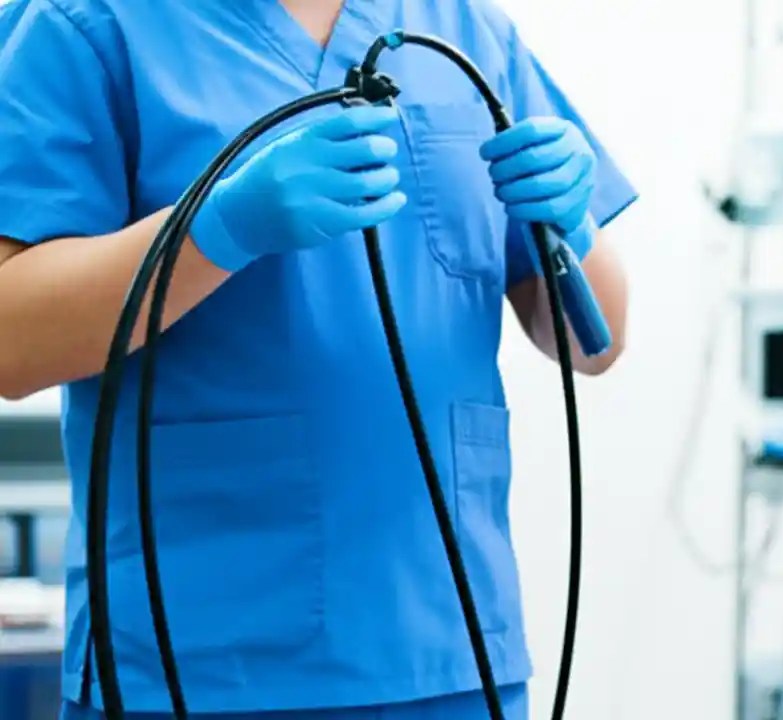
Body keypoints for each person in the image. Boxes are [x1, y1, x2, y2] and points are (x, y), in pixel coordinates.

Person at [0, 0, 636, 718]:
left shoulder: (466, 31)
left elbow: (595, 341)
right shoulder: (89, 25)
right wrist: (216, 229)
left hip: (450, 649)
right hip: (201, 662)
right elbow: (11, 344)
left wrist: (570, 223)